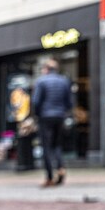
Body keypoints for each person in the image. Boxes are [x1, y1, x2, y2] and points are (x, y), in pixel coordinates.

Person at [31, 58, 73, 187]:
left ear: (46, 69)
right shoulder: (64, 81)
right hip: (59, 116)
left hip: (45, 117)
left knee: (46, 147)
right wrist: (64, 112)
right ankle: (60, 167)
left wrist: (37, 115)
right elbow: (69, 102)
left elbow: (36, 101)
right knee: (57, 145)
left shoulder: (41, 81)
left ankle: (49, 177)